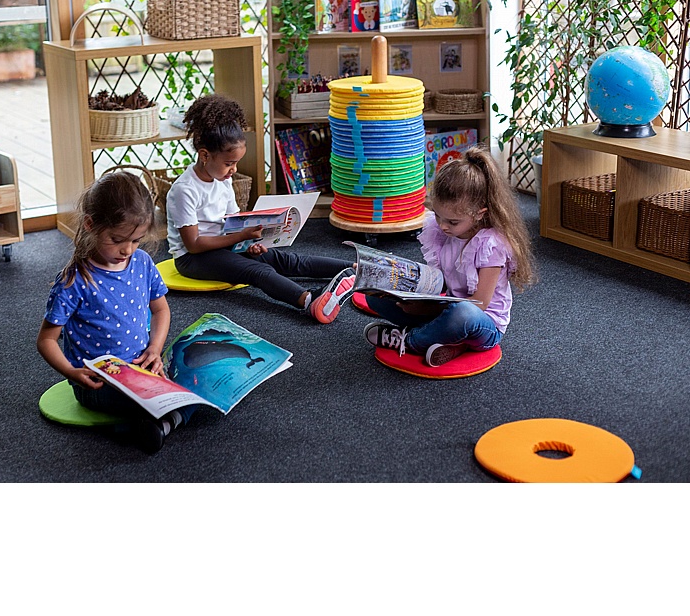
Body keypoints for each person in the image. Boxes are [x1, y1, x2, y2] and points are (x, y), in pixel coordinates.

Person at [166, 93, 355, 323]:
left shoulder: (223, 179)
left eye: (236, 163)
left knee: (284, 260)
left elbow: (233, 220)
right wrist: (241, 237)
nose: (234, 170)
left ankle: (353, 269)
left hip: (224, 245)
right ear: (205, 155)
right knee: (258, 271)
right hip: (193, 258)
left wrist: (250, 241)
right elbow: (194, 245)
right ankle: (308, 301)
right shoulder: (184, 189)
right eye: (229, 163)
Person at [37, 170, 182, 454]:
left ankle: (159, 421)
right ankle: (155, 422)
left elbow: (161, 310)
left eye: (137, 240)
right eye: (117, 239)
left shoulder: (141, 263)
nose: (127, 249)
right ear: (91, 225)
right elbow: (46, 340)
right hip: (98, 382)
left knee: (195, 376)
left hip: (143, 368)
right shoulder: (74, 280)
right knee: (150, 400)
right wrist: (71, 372)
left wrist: (155, 349)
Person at [363, 144, 535, 366]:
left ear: (479, 213)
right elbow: (440, 284)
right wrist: (399, 281)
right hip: (444, 309)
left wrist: (427, 308)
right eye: (438, 216)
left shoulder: (492, 245)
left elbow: (479, 304)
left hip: (483, 323)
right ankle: (446, 341)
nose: (443, 226)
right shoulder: (444, 232)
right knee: (376, 296)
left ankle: (410, 339)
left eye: (452, 221)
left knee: (461, 315)